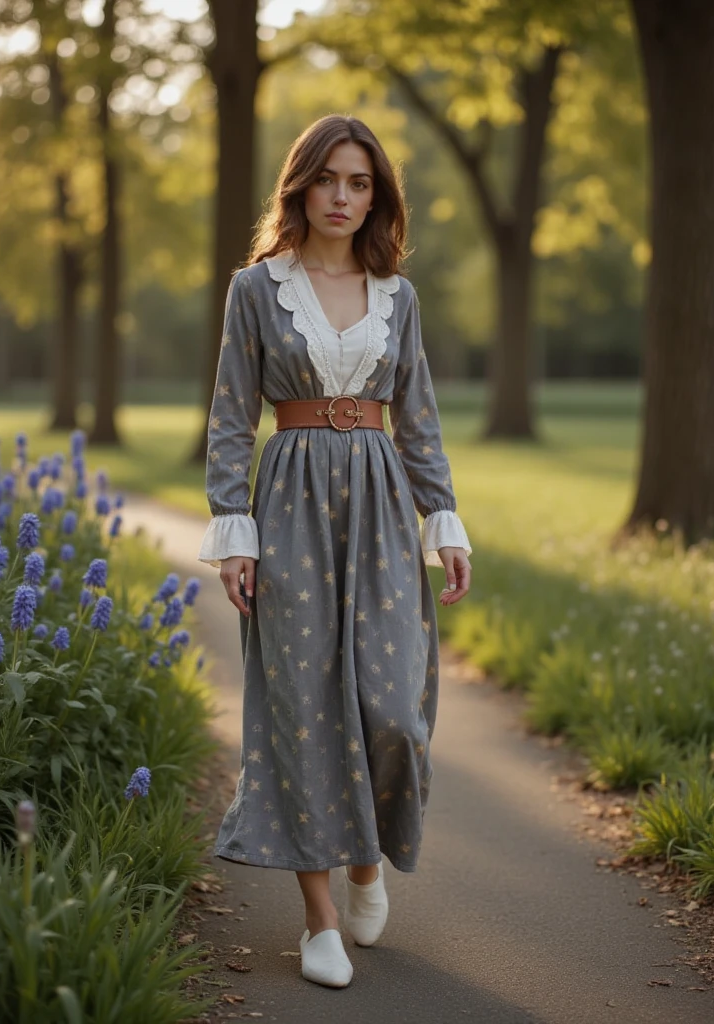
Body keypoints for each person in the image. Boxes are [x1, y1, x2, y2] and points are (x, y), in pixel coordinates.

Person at [197, 114, 472, 989]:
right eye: (328, 181)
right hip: (289, 505)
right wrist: (233, 534)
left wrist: (446, 521)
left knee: (394, 708)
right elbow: (231, 416)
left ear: (376, 194)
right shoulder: (257, 288)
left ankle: (366, 861)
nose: (343, 197)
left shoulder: (399, 295)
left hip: (383, 502)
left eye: (359, 183)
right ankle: (319, 919)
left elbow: (419, 419)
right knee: (303, 704)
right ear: (301, 187)